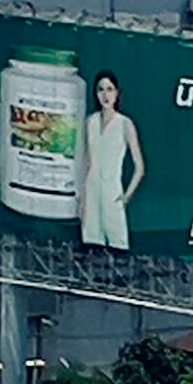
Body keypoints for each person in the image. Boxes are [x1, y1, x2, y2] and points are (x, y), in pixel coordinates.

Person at [78, 71, 145, 253]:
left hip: (112, 192)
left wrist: (126, 197)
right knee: (91, 247)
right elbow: (86, 162)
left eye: (109, 89)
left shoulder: (124, 124)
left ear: (117, 93)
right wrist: (82, 199)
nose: (105, 95)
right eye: (101, 90)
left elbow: (140, 167)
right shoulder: (90, 122)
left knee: (118, 247)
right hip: (91, 192)